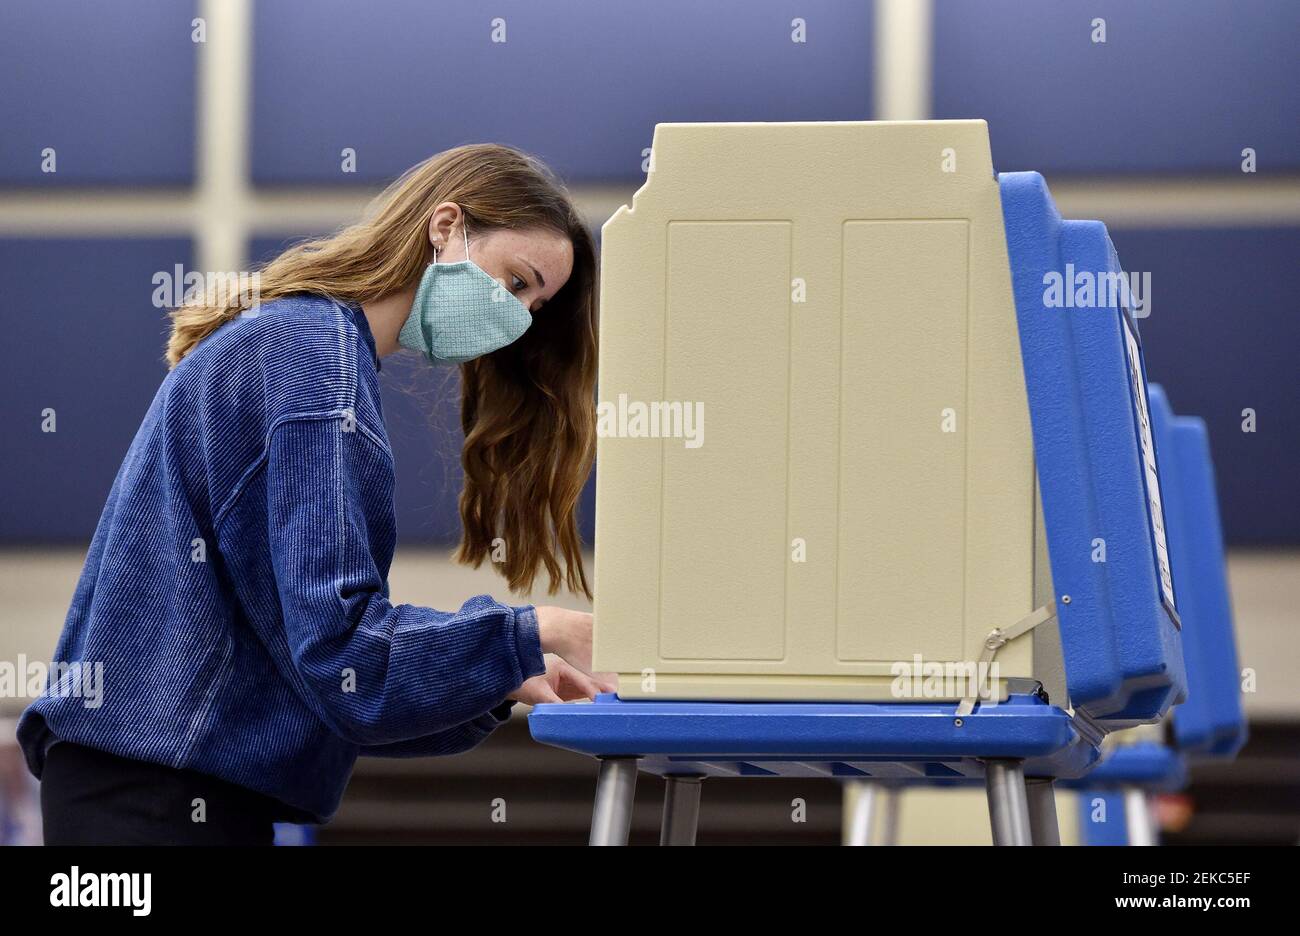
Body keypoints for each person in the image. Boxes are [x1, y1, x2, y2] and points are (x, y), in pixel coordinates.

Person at [19, 143, 611, 844]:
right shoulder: (314, 355)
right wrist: (536, 631)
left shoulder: (304, 338)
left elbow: (333, 686)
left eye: (536, 306)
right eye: (517, 281)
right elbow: (343, 654)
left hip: (143, 791)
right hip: (155, 802)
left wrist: (500, 672)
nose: (519, 318)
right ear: (445, 226)